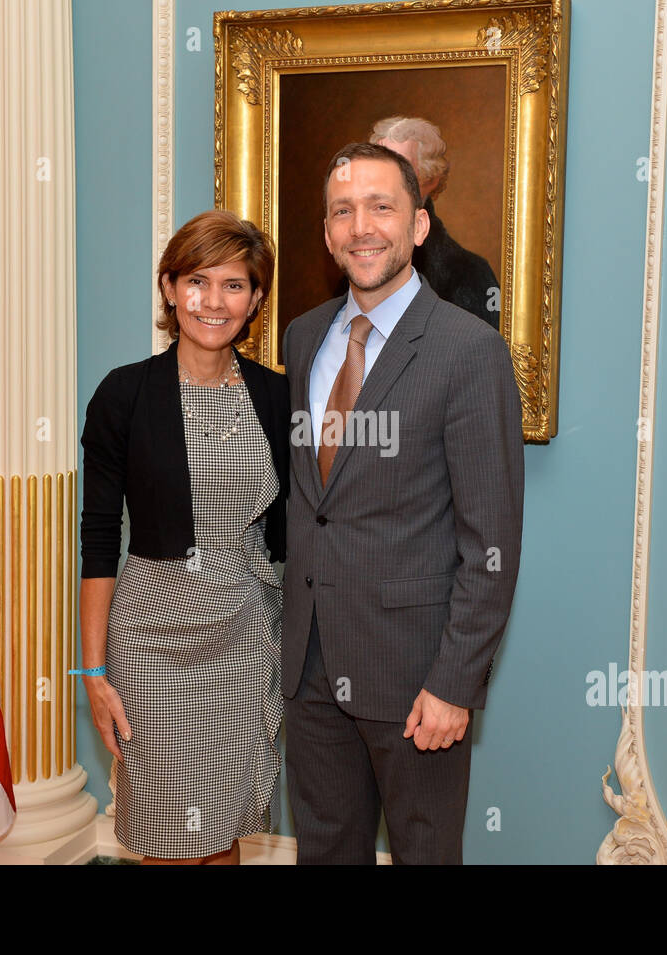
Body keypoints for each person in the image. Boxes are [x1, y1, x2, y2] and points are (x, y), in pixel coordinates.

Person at [281, 142, 524, 864]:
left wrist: (455, 683)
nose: (362, 226)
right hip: (311, 668)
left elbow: (492, 543)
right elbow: (312, 504)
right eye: (343, 211)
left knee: (425, 854)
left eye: (382, 207)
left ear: (419, 225)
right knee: (325, 851)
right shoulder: (301, 337)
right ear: (327, 233)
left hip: (417, 679)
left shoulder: (468, 351)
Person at [77, 210, 289, 865]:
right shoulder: (124, 395)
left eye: (234, 284)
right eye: (198, 280)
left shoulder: (280, 398)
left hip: (245, 637)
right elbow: (99, 536)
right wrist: (92, 669)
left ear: (256, 299)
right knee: (168, 835)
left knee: (222, 832)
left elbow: (300, 533)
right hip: (152, 643)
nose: (214, 301)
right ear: (170, 288)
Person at [371, 116, 501, 329]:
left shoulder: (469, 273)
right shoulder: (360, 260)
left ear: (430, 179)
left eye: (398, 166)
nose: (382, 180)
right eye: (377, 166)